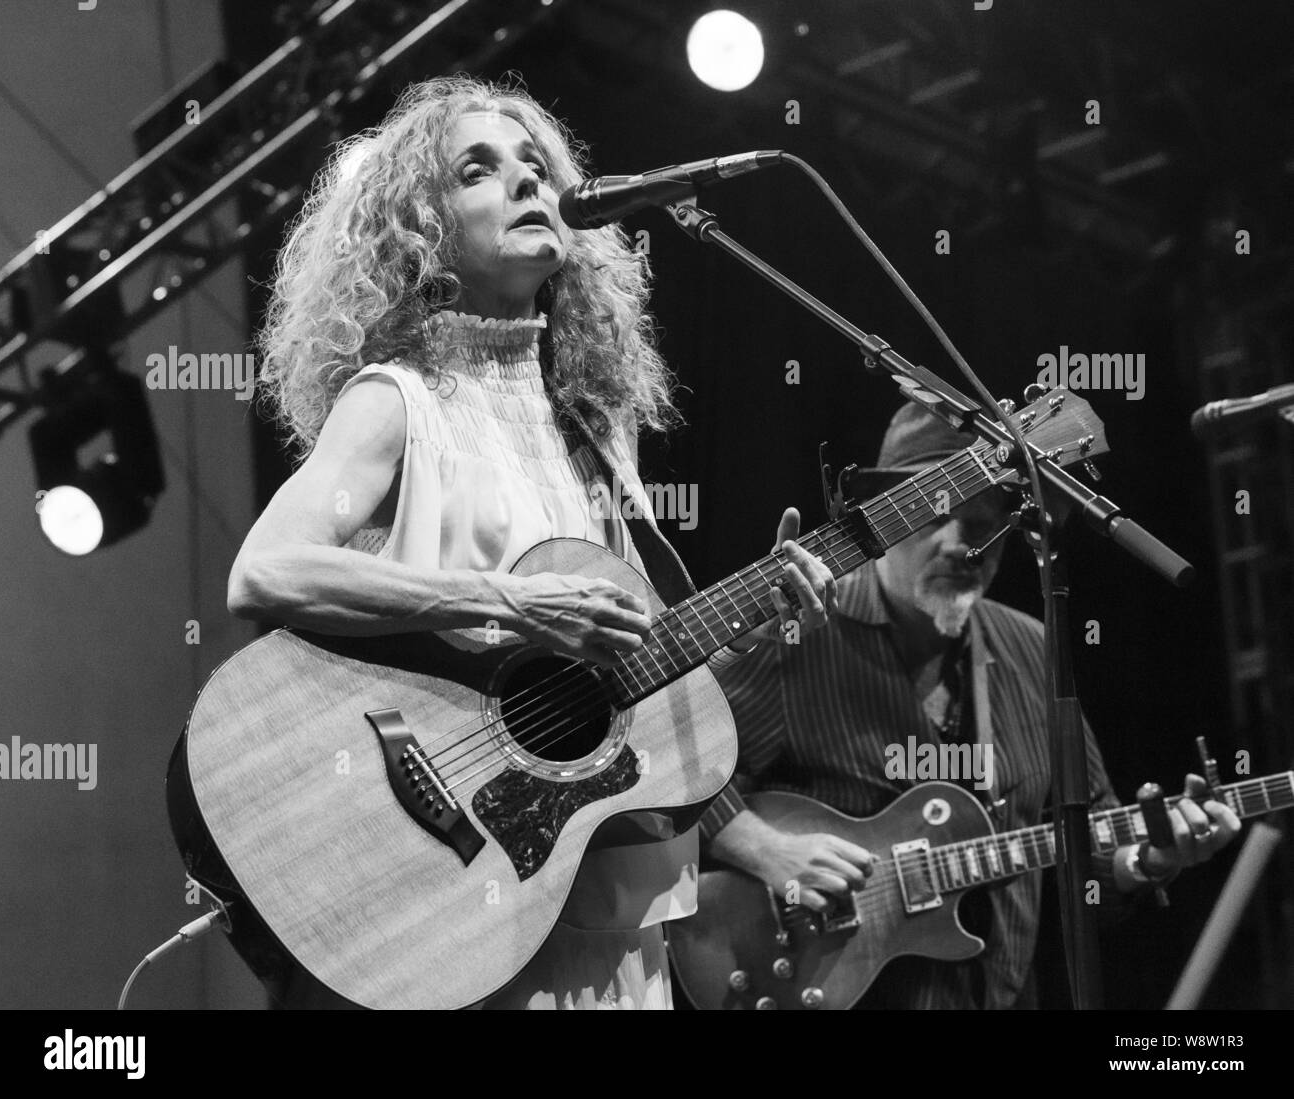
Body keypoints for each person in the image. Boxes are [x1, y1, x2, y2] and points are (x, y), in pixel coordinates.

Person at [225, 74, 837, 1010]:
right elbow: (266, 572)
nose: (525, 182)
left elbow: (629, 661)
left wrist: (746, 628)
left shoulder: (597, 422)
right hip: (462, 885)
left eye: (537, 167)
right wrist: (509, 602)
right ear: (421, 228)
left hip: (613, 893)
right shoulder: (396, 400)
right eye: (478, 169)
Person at [699, 402, 1241, 1009]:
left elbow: (1086, 855)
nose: (963, 546)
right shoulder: (799, 635)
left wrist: (1151, 857)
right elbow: (665, 764)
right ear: (881, 522)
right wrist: (764, 848)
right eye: (936, 518)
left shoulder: (1032, 648)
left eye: (984, 522)